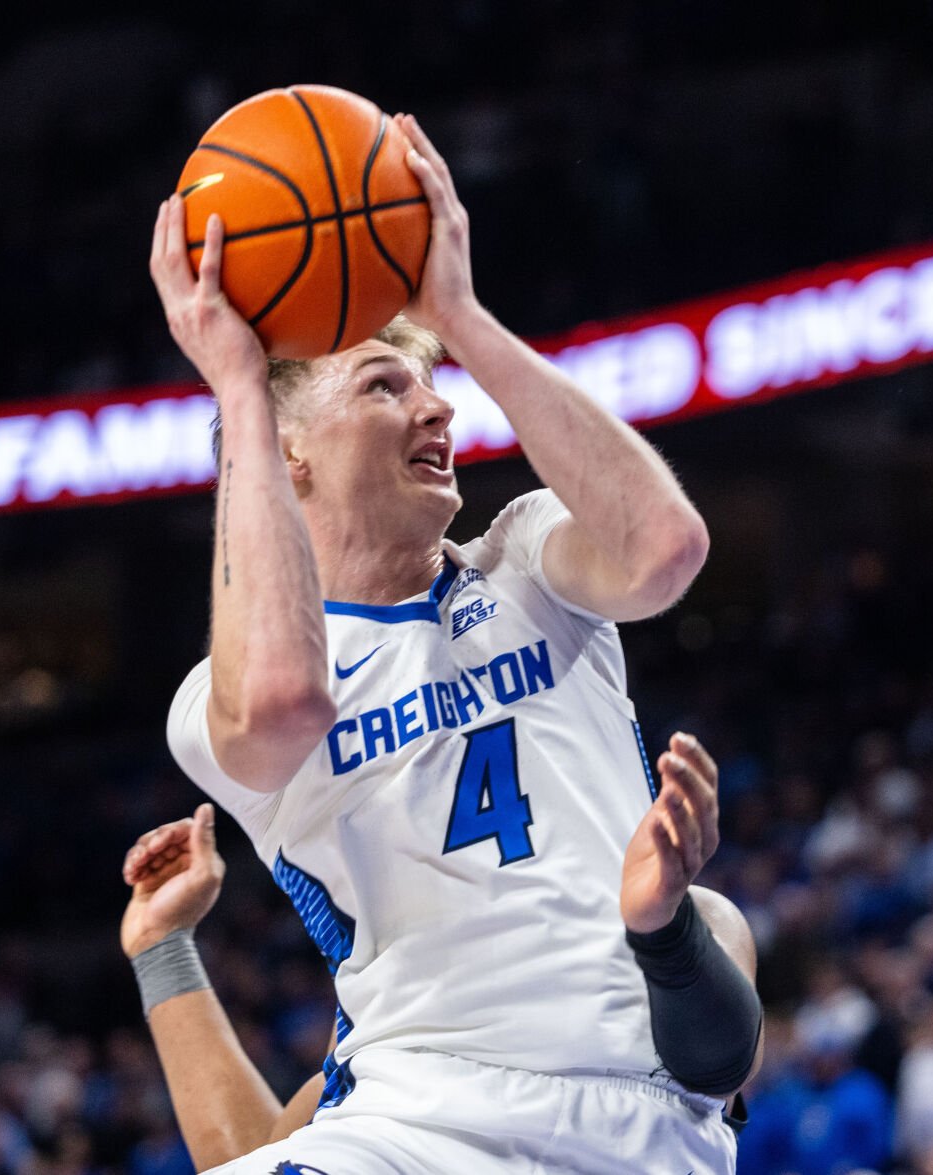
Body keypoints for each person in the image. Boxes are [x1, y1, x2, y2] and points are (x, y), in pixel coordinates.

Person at [149, 111, 752, 1171]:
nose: (436, 409)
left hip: (623, 1113)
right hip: (415, 1121)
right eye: (387, 384)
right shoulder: (219, 696)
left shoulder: (522, 557)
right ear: (287, 455)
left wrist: (460, 317)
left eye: (435, 386)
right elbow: (288, 701)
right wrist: (238, 383)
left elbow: (664, 548)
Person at [119, 733, 757, 1170]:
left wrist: (663, 929)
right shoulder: (406, 1053)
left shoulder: (694, 921)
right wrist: (162, 948)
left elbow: (716, 1070)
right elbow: (261, 1153)